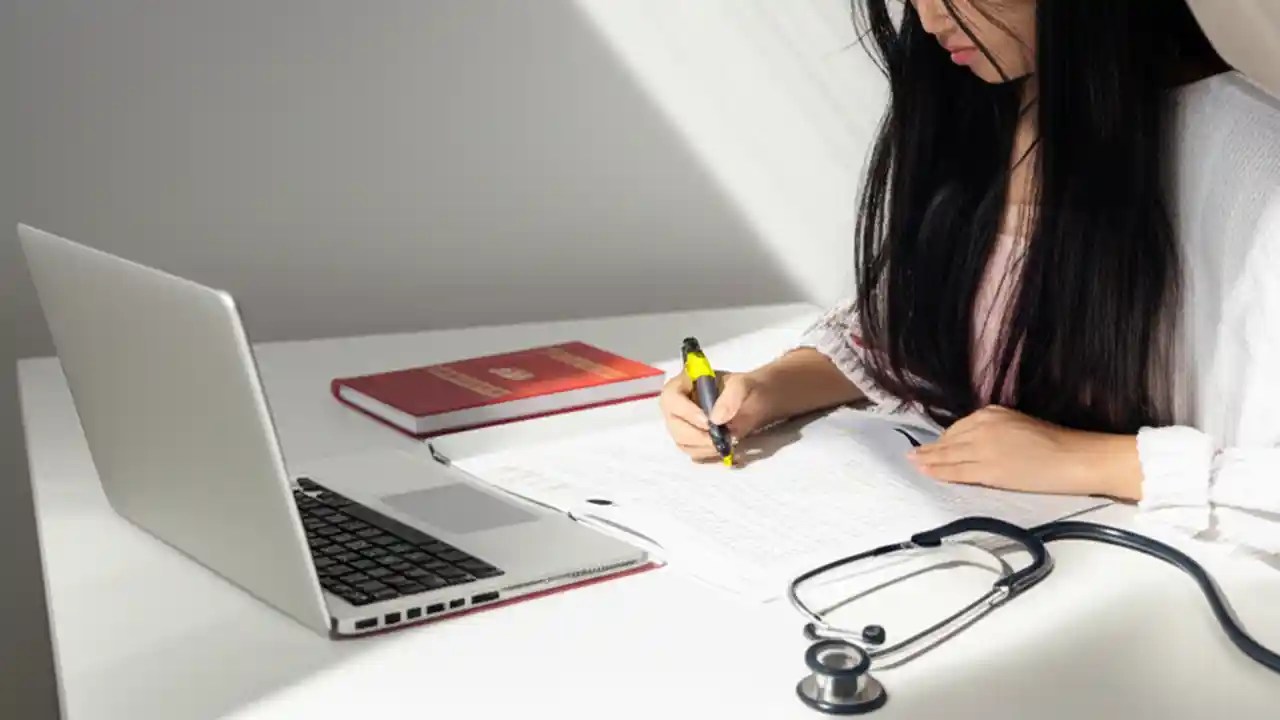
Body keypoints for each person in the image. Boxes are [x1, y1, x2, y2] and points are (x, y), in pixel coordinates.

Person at [660, 0, 1280, 552]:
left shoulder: (1253, 161)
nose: (929, 19)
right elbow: (925, 331)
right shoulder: (990, 99)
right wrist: (769, 389)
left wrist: (1091, 460)